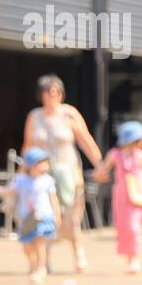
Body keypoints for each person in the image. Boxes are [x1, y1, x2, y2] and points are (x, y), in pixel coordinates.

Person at [22, 75, 103, 273]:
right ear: (41, 94)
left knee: (71, 217)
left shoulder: (69, 114)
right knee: (46, 216)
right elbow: (28, 147)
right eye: (48, 91)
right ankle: (45, 259)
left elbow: (85, 141)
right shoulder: (35, 116)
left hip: (68, 174)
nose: (53, 95)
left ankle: (78, 252)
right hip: (43, 177)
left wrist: (100, 165)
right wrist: (22, 173)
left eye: (56, 91)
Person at [93, 121, 142, 274]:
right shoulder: (115, 154)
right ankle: (129, 258)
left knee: (134, 227)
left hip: (136, 194)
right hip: (121, 194)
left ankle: (135, 259)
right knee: (123, 227)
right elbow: (103, 170)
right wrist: (100, 175)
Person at [8, 147, 62, 284]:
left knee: (40, 242)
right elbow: (9, 191)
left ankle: (41, 268)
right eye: (41, 162)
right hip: (26, 218)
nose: (45, 165)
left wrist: (57, 215)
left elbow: (54, 199)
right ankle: (33, 263)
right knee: (26, 245)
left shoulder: (47, 180)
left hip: (44, 216)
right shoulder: (20, 180)